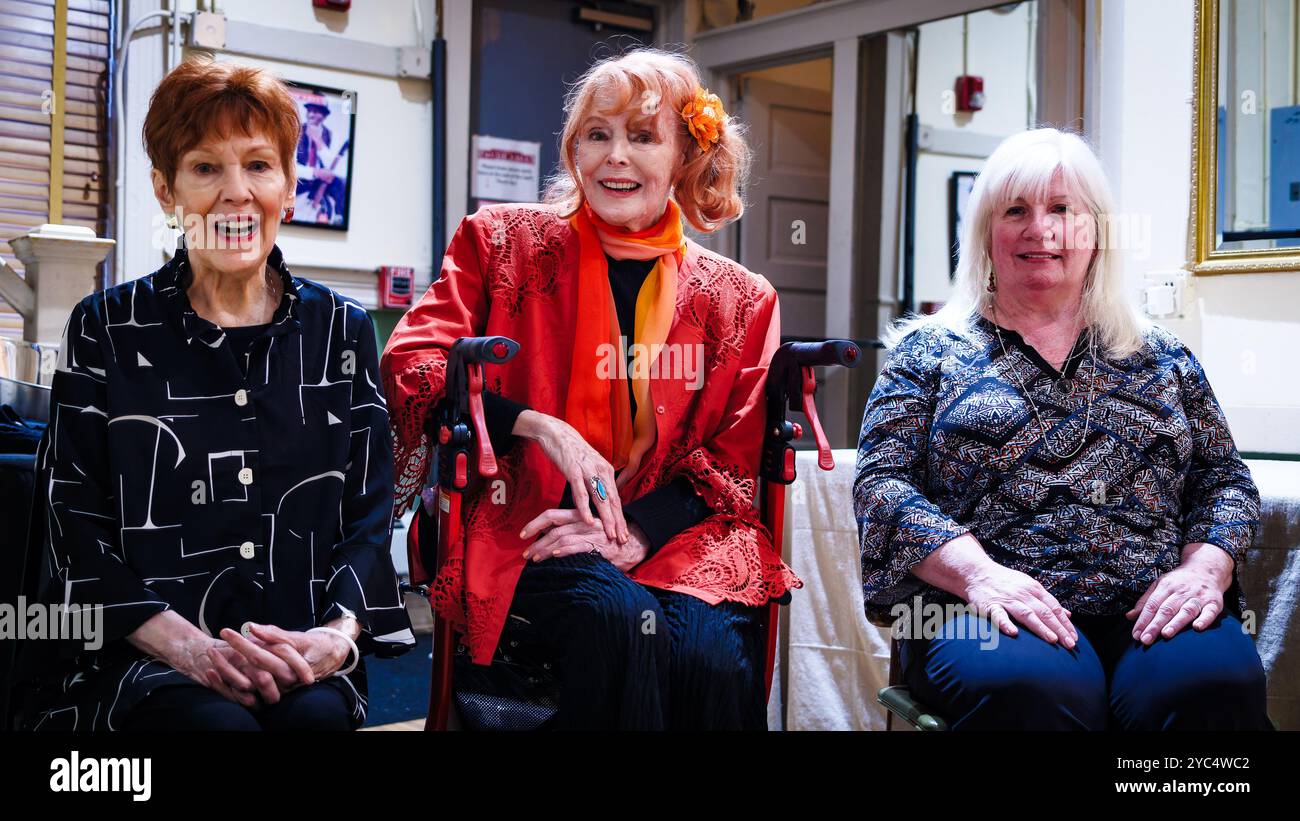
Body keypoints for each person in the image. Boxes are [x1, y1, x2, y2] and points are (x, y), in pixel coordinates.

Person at [382, 47, 799, 729]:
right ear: (574, 149)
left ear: (685, 158)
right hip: (527, 519)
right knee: (618, 616)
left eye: (641, 136)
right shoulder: (501, 243)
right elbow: (412, 363)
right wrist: (538, 424)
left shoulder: (741, 298)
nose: (615, 157)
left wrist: (635, 528)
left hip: (675, 532)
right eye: (597, 135)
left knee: (713, 656)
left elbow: (735, 456)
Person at [19, 57, 413, 732]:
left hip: (302, 650)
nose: (237, 192)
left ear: (289, 186)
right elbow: (73, 526)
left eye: (259, 165)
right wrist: (189, 648)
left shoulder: (341, 331)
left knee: (315, 722)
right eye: (206, 167)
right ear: (165, 188)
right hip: (144, 661)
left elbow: (369, 516)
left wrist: (336, 637)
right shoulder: (107, 329)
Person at [855, 127, 1270, 731]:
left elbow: (1224, 480)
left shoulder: (1162, 356)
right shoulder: (928, 354)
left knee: (1212, 682)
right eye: (1015, 210)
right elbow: (882, 486)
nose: (1039, 229)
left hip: (1150, 607)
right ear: (985, 235)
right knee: (1035, 690)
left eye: (1061, 210)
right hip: (986, 610)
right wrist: (980, 576)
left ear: (1096, 231)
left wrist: (1203, 570)